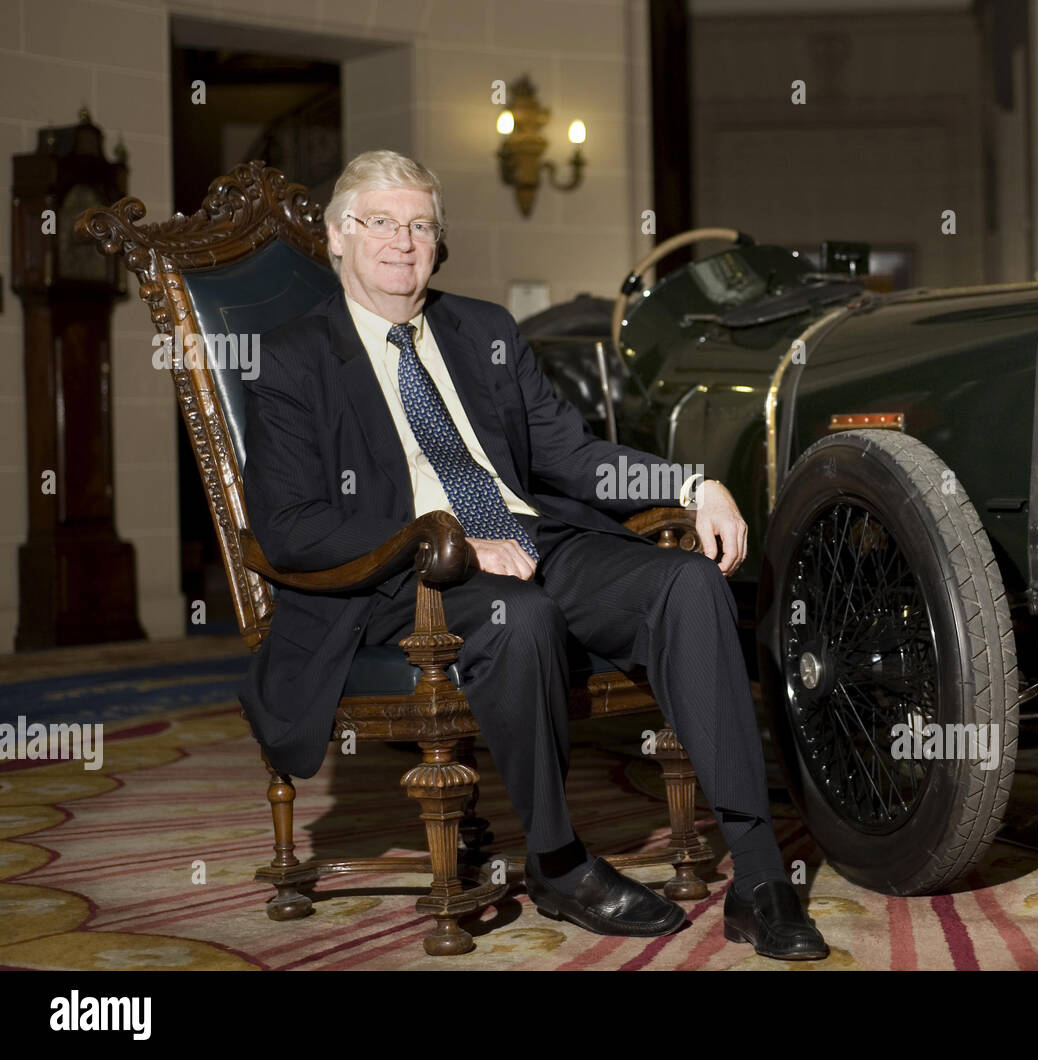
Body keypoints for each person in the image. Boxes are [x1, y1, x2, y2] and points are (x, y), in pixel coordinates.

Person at [238, 149, 828, 960]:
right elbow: (287, 525)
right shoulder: (292, 356)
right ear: (338, 239)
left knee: (687, 584)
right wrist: (448, 541)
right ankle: (557, 861)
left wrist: (691, 485)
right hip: (399, 576)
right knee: (520, 614)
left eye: (419, 225)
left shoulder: (482, 330)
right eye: (380, 222)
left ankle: (760, 880)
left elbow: (576, 456)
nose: (402, 241)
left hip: (535, 539)